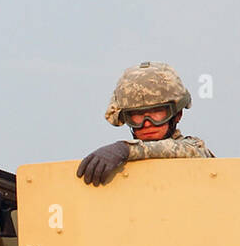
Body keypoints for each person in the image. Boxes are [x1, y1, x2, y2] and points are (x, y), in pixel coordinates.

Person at [77, 61, 213, 186]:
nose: (147, 124)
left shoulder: (193, 150)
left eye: (157, 112)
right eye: (137, 115)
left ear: (177, 115)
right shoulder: (118, 166)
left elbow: (190, 151)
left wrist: (126, 149)